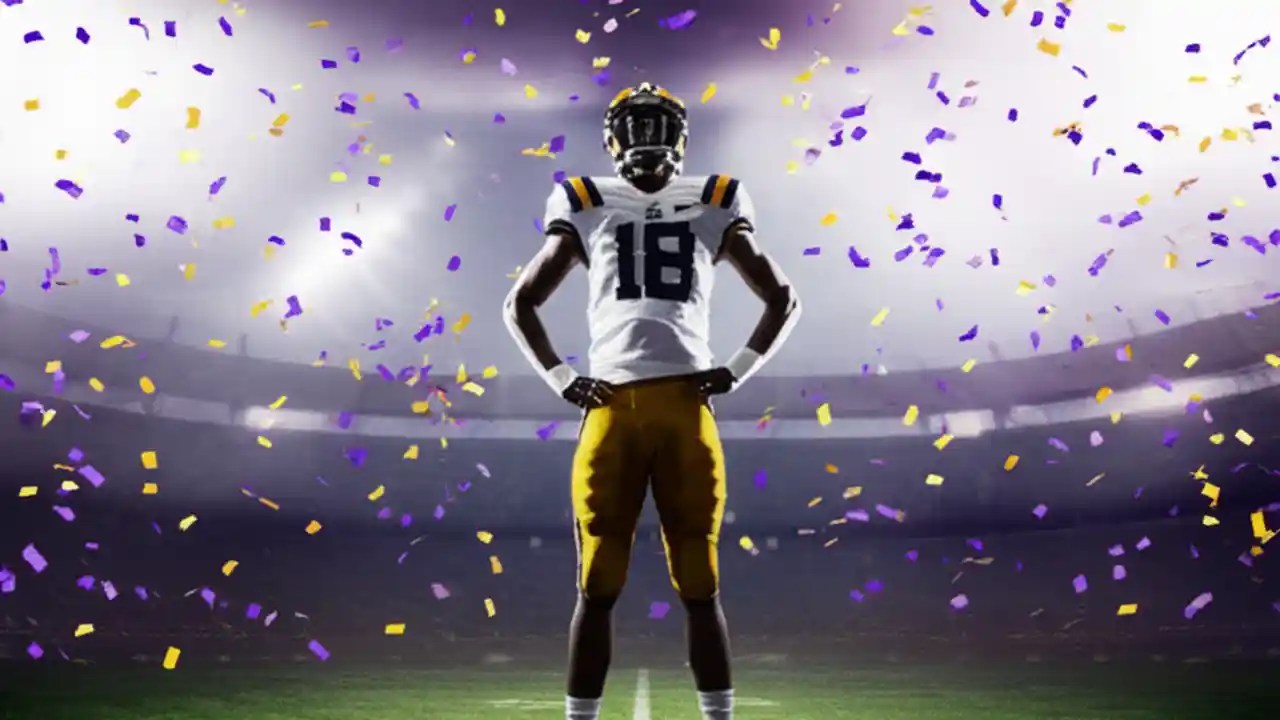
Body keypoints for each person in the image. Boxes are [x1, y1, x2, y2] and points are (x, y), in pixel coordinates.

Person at [503, 82, 801, 720]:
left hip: (676, 402)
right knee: (598, 581)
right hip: (620, 403)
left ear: (680, 137)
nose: (645, 137)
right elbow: (520, 303)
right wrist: (562, 378)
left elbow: (783, 298)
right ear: (614, 138)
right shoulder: (586, 197)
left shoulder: (713, 195)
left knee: (699, 578)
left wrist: (737, 370)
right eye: (634, 125)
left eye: (654, 124)